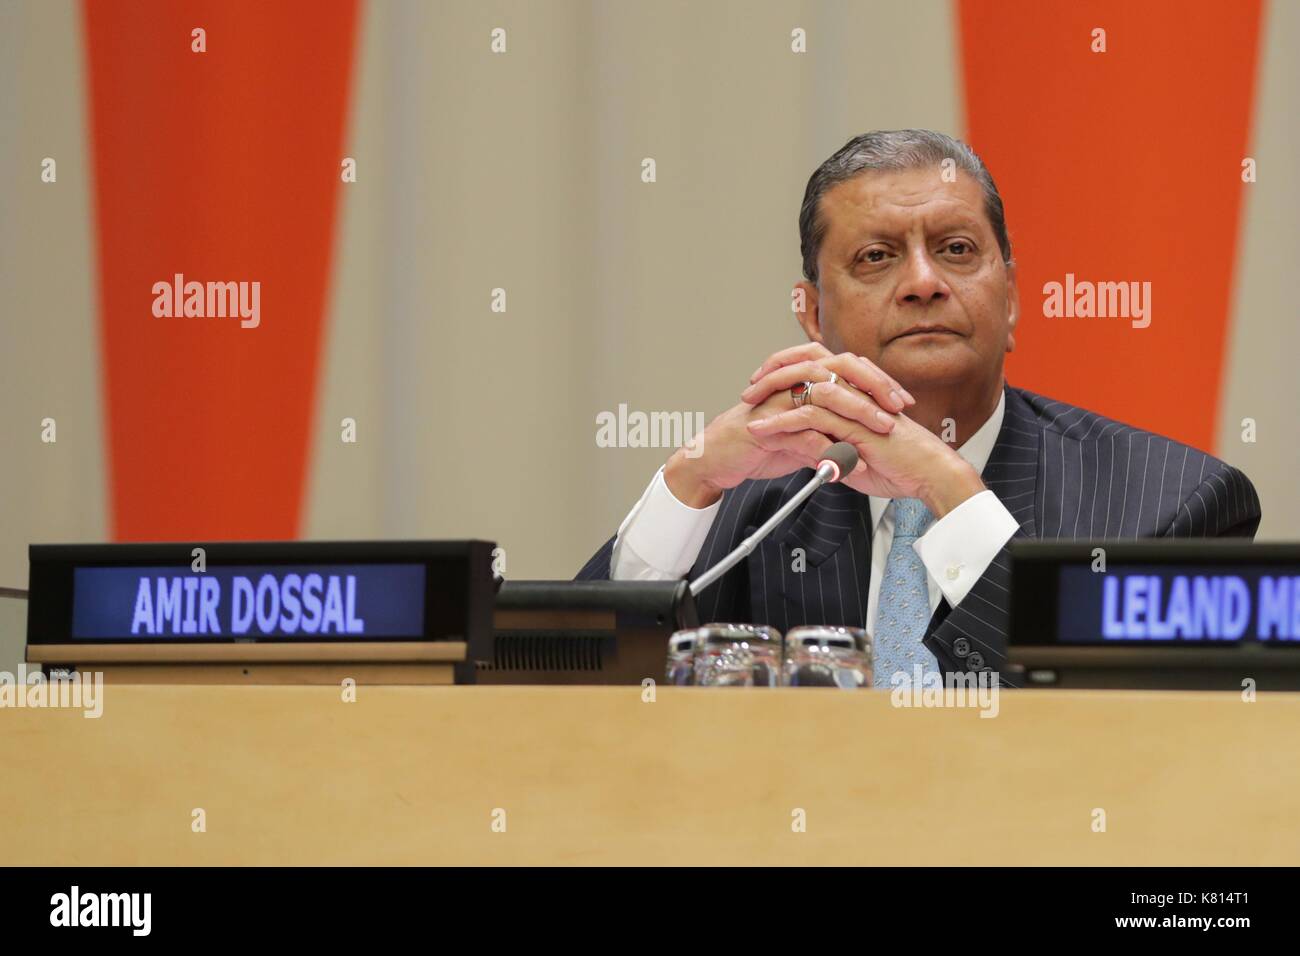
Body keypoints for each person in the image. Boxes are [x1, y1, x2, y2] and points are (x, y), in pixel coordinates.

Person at [576, 129, 1260, 685]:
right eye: (877, 257)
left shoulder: (1172, 504)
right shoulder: (752, 503)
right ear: (813, 316)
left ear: (1014, 299)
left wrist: (950, 492)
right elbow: (573, 695)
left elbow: (1138, 745)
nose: (924, 283)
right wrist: (690, 481)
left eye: (956, 250)